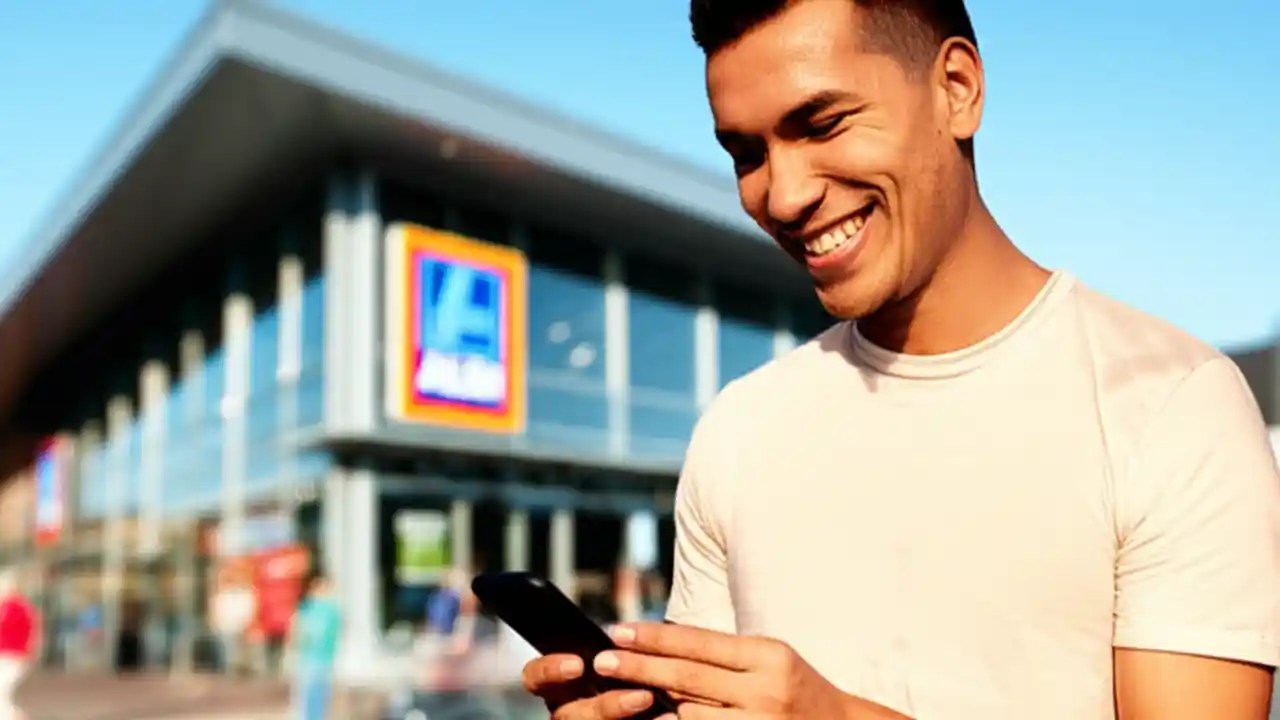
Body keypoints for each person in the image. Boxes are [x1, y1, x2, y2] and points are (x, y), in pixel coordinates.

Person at [521, 1, 1280, 718]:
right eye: (747, 153)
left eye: (822, 123)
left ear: (957, 88)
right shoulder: (739, 430)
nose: (781, 196)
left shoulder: (1171, 403)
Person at [288, 573, 342, 720]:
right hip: (308, 659)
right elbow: (296, 630)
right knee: (308, 697)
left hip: (323, 660)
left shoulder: (332, 610)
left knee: (319, 697)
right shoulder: (307, 607)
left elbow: (335, 635)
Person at [0, 570, 38, 720]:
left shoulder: (15, 607)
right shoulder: (14, 606)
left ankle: (14, 716)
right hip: (10, 654)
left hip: (13, 654)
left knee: (2, 688)